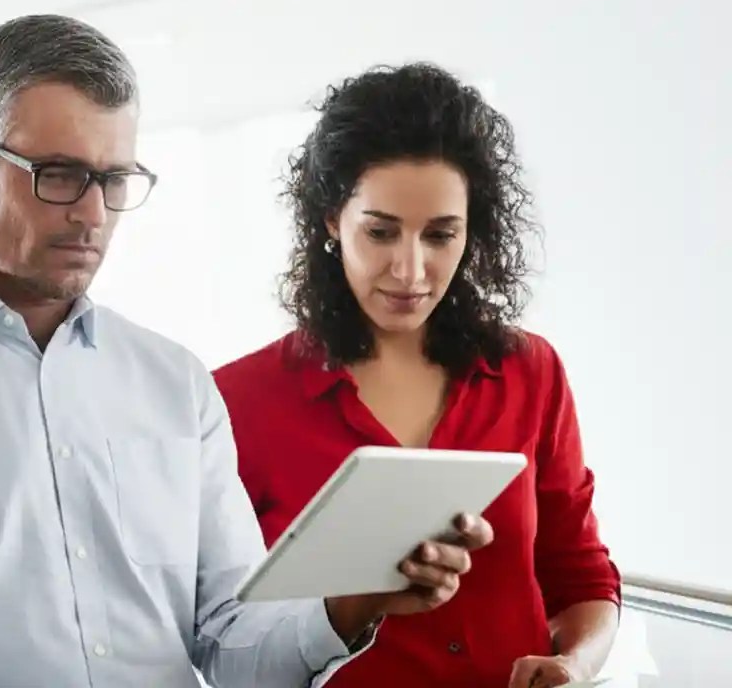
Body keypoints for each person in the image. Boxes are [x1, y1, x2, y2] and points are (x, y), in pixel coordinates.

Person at [0, 15, 491, 688]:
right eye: (59, 176)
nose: (93, 214)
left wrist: (351, 603)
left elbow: (234, 643)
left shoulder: (176, 382)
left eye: (114, 180)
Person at [213, 63, 621, 688]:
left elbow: (582, 575)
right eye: (380, 232)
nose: (411, 271)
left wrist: (573, 665)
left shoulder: (530, 371)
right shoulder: (235, 402)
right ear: (330, 221)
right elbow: (226, 640)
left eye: (440, 235)